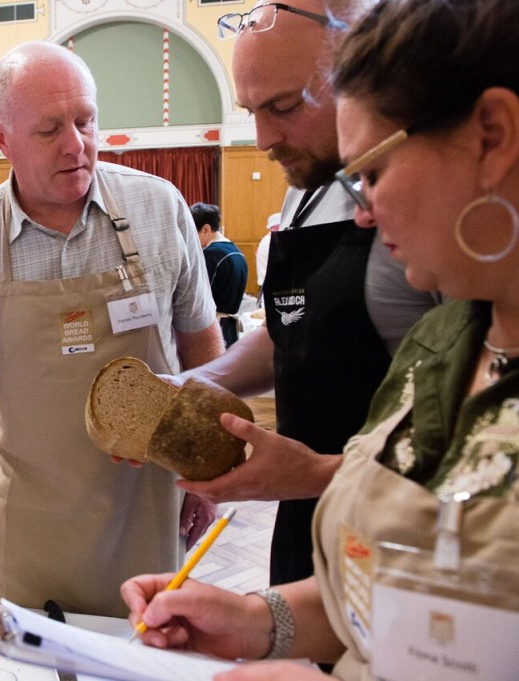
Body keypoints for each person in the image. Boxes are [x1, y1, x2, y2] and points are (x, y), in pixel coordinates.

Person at [123, 1, 519, 677]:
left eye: (373, 173)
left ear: (492, 135)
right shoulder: (445, 344)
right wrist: (254, 619)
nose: (361, 209)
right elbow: (381, 589)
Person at [0, 41, 224, 622]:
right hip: (34, 528)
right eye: (49, 129)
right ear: (3, 140)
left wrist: (204, 468)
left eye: (85, 121)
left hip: (148, 514)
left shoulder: (158, 209)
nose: (76, 145)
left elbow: (201, 341)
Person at [172, 0, 440, 589]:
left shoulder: (444, 202)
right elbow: (296, 326)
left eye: (285, 107)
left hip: (409, 533)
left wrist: (322, 473)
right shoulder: (306, 187)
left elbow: (474, 462)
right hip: (309, 517)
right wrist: (199, 384)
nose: (263, 138)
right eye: (251, 111)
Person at [191, 203, 249, 347]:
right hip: (230, 329)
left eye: (193, 233)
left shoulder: (210, 255)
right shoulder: (236, 250)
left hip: (214, 329)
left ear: (206, 229)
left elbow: (200, 301)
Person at [256, 211, 281, 289]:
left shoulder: (268, 240)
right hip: (271, 287)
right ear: (276, 227)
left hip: (267, 285)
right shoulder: (271, 242)